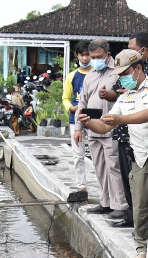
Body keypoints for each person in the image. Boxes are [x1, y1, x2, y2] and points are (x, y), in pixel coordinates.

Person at [86, 48, 148, 258]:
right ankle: (143, 250)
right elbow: (104, 124)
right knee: (139, 207)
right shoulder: (125, 97)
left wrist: (120, 119)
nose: (123, 78)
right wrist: (88, 122)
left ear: (138, 68)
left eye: (126, 73)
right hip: (140, 157)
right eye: (120, 75)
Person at [78, 40, 127, 221]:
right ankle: (105, 202)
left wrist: (110, 95)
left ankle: (119, 205)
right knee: (99, 168)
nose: (96, 60)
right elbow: (82, 102)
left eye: (99, 57)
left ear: (107, 54)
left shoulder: (118, 71)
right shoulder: (89, 75)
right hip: (92, 129)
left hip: (111, 128)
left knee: (114, 167)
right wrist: (78, 128)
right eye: (93, 57)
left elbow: (123, 94)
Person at [65, 42, 93, 196]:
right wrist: (71, 107)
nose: (85, 58)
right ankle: (81, 187)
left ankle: (104, 188)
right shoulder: (72, 76)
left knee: (97, 155)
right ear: (77, 56)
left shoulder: (96, 73)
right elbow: (65, 98)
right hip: (75, 119)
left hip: (94, 119)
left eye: (87, 54)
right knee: (78, 155)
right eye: (82, 55)